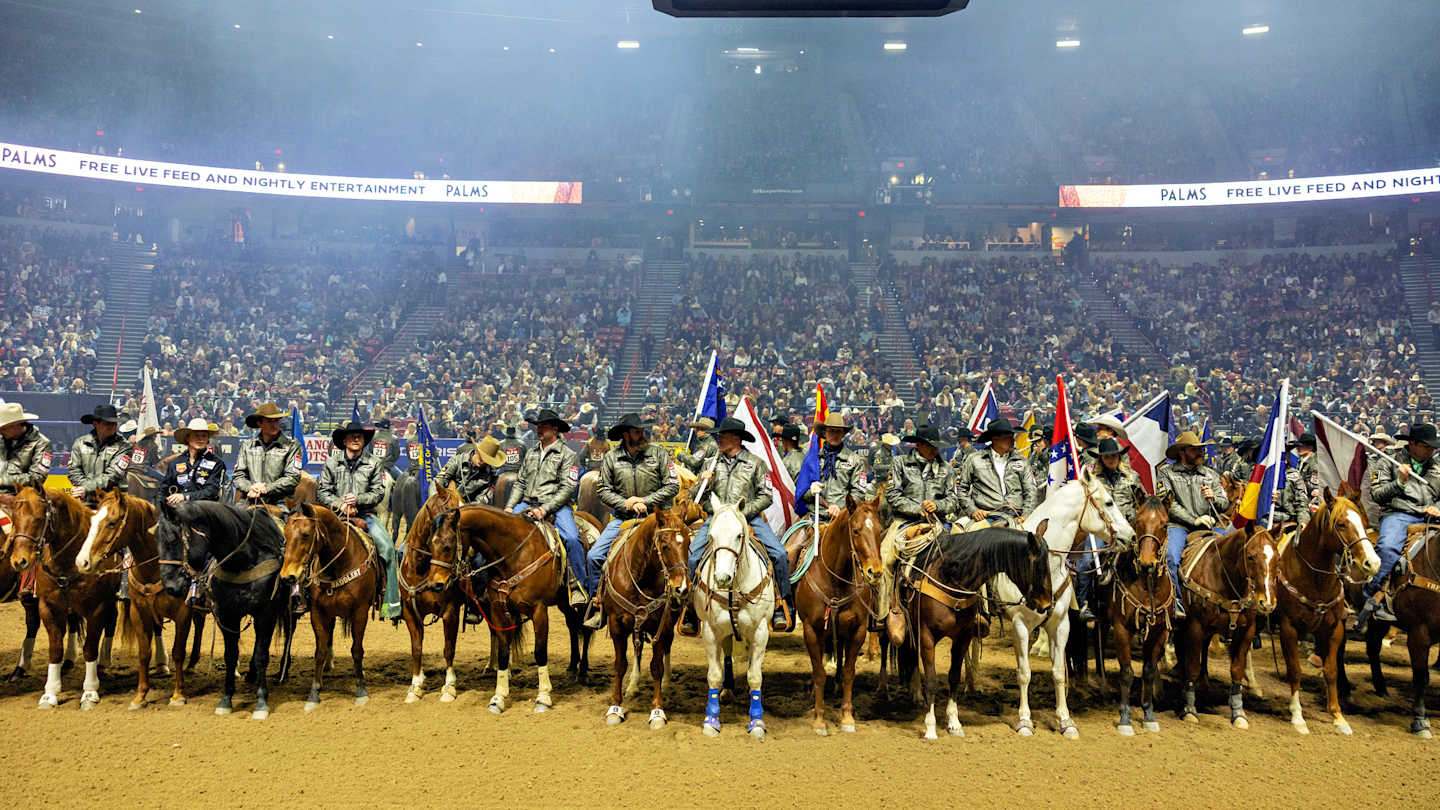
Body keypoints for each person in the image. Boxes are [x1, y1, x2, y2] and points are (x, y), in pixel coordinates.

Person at [682, 417, 793, 634]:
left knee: (779, 555)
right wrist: (702, 482)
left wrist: (741, 513)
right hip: (716, 520)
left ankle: (782, 604)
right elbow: (695, 496)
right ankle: (689, 610)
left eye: (722, 436)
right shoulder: (710, 463)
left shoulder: (756, 463)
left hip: (748, 519)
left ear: (736, 439)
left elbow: (766, 495)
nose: (718, 440)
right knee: (693, 557)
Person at [585, 413, 679, 629]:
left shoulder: (659, 454)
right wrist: (626, 503)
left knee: (682, 556)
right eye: (637, 431)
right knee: (594, 556)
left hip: (658, 519)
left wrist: (645, 501)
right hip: (623, 519)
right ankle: (598, 603)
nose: (642, 434)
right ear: (626, 435)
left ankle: (684, 605)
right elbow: (602, 489)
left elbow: (672, 485)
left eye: (643, 430)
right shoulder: (611, 458)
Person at [1357, 423, 1440, 630]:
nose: (1431, 451)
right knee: (1387, 548)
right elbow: (1376, 495)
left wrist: (1437, 507)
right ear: (1412, 444)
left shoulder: (1437, 466)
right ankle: (1373, 598)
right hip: (1399, 515)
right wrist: (1400, 482)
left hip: (1431, 518)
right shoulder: (1389, 462)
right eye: (1427, 446)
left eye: (1433, 447)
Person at [881, 424, 960, 639]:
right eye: (932, 447)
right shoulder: (900, 463)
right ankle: (887, 611)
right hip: (905, 522)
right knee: (886, 559)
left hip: (938, 523)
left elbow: (953, 498)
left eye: (937, 447)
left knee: (966, 555)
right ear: (920, 445)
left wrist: (938, 506)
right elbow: (893, 495)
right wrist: (917, 508)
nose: (936, 451)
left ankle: (976, 610)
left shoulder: (947, 468)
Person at [505, 409, 587, 607]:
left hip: (557, 506)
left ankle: (578, 587)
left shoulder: (569, 455)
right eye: (537, 426)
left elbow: (568, 487)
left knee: (572, 538)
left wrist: (545, 509)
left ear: (555, 429)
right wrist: (509, 507)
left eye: (543, 426)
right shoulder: (531, 453)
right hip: (526, 503)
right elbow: (520, 483)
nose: (538, 430)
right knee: (501, 531)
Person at [318, 421, 399, 619]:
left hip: (365, 515)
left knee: (387, 548)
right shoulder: (331, 462)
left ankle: (388, 600)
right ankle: (301, 594)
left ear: (364, 441)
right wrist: (340, 504)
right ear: (344, 440)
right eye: (352, 436)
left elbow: (378, 492)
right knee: (307, 544)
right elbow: (322, 491)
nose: (356, 439)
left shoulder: (374, 463)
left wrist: (358, 500)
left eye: (360, 436)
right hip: (335, 517)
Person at [1156, 430, 1229, 619]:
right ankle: (1176, 602)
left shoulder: (1211, 474)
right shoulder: (1166, 473)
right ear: (1183, 452)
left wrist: (1215, 499)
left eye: (1201, 449)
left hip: (1210, 524)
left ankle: (1233, 603)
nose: (1200, 453)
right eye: (1195, 449)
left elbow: (1224, 501)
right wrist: (1193, 520)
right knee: (1171, 558)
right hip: (1179, 526)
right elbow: (1167, 502)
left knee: (1235, 551)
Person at [1075, 437, 1141, 621]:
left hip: (1127, 527)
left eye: (1114, 456)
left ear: (1119, 457)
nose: (1111, 459)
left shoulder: (1132, 478)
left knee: (1147, 560)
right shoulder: (1093, 481)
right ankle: (1083, 603)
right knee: (1087, 561)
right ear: (1101, 459)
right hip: (1101, 529)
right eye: (1106, 456)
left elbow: (1140, 502)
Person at [955, 416, 1036, 528]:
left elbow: (1030, 491)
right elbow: (962, 489)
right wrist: (973, 510)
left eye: (1012, 437)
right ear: (995, 439)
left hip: (1017, 516)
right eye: (1008, 437)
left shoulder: (1022, 461)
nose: (1013, 440)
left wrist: (1026, 515)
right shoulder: (974, 459)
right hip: (987, 516)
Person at [232, 403, 303, 506]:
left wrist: (267, 488)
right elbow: (238, 475)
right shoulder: (247, 446)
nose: (274, 425)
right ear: (260, 424)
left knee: (283, 520)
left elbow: (292, 477)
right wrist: (250, 488)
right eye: (269, 421)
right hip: (250, 498)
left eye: (276, 421)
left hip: (280, 501)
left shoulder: (292, 446)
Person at [804, 413, 871, 519]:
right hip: (816, 516)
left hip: (843, 517)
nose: (835, 434)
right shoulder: (812, 459)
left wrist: (840, 508)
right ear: (824, 433)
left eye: (838, 431)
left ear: (843, 434)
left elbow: (859, 492)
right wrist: (811, 492)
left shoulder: (855, 460)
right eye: (831, 431)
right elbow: (801, 490)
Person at [68, 404, 130, 504]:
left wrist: (86, 489)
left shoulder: (125, 447)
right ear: (95, 423)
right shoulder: (79, 443)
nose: (112, 426)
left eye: (114, 423)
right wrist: (86, 490)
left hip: (113, 502)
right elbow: (73, 470)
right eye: (107, 423)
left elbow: (113, 475)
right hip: (85, 500)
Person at [158, 418, 225, 504]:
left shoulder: (216, 463)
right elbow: (164, 489)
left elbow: (212, 491)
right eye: (196, 435)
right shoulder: (175, 462)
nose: (200, 439)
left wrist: (185, 497)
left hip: (204, 510)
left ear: (208, 440)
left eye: (204, 436)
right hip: (177, 510)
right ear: (187, 438)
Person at [433, 434, 506, 504]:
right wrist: (435, 500)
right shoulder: (457, 461)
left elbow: (483, 499)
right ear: (476, 451)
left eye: (487, 460)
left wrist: (467, 508)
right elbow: (439, 480)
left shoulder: (491, 475)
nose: (482, 461)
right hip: (446, 501)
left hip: (469, 508)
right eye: (481, 457)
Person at [0, 402, 51, 496]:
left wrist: (3, 480)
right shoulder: (1, 438)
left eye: (3, 428)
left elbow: (37, 478)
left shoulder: (41, 443)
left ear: (16, 425)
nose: (0, 432)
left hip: (22, 497)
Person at [1277, 432, 1319, 529]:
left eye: (1302, 446)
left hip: (1308, 500)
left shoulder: (1314, 464)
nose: (1298, 448)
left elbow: (1314, 488)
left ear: (1310, 447)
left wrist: (1297, 483)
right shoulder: (1301, 461)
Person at [1028, 424, 1054, 489]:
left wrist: (1040, 455)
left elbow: (1047, 469)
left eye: (1039, 441)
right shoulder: (1033, 452)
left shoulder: (1050, 452)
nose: (1036, 444)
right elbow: (1029, 467)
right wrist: (1035, 454)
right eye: (1034, 442)